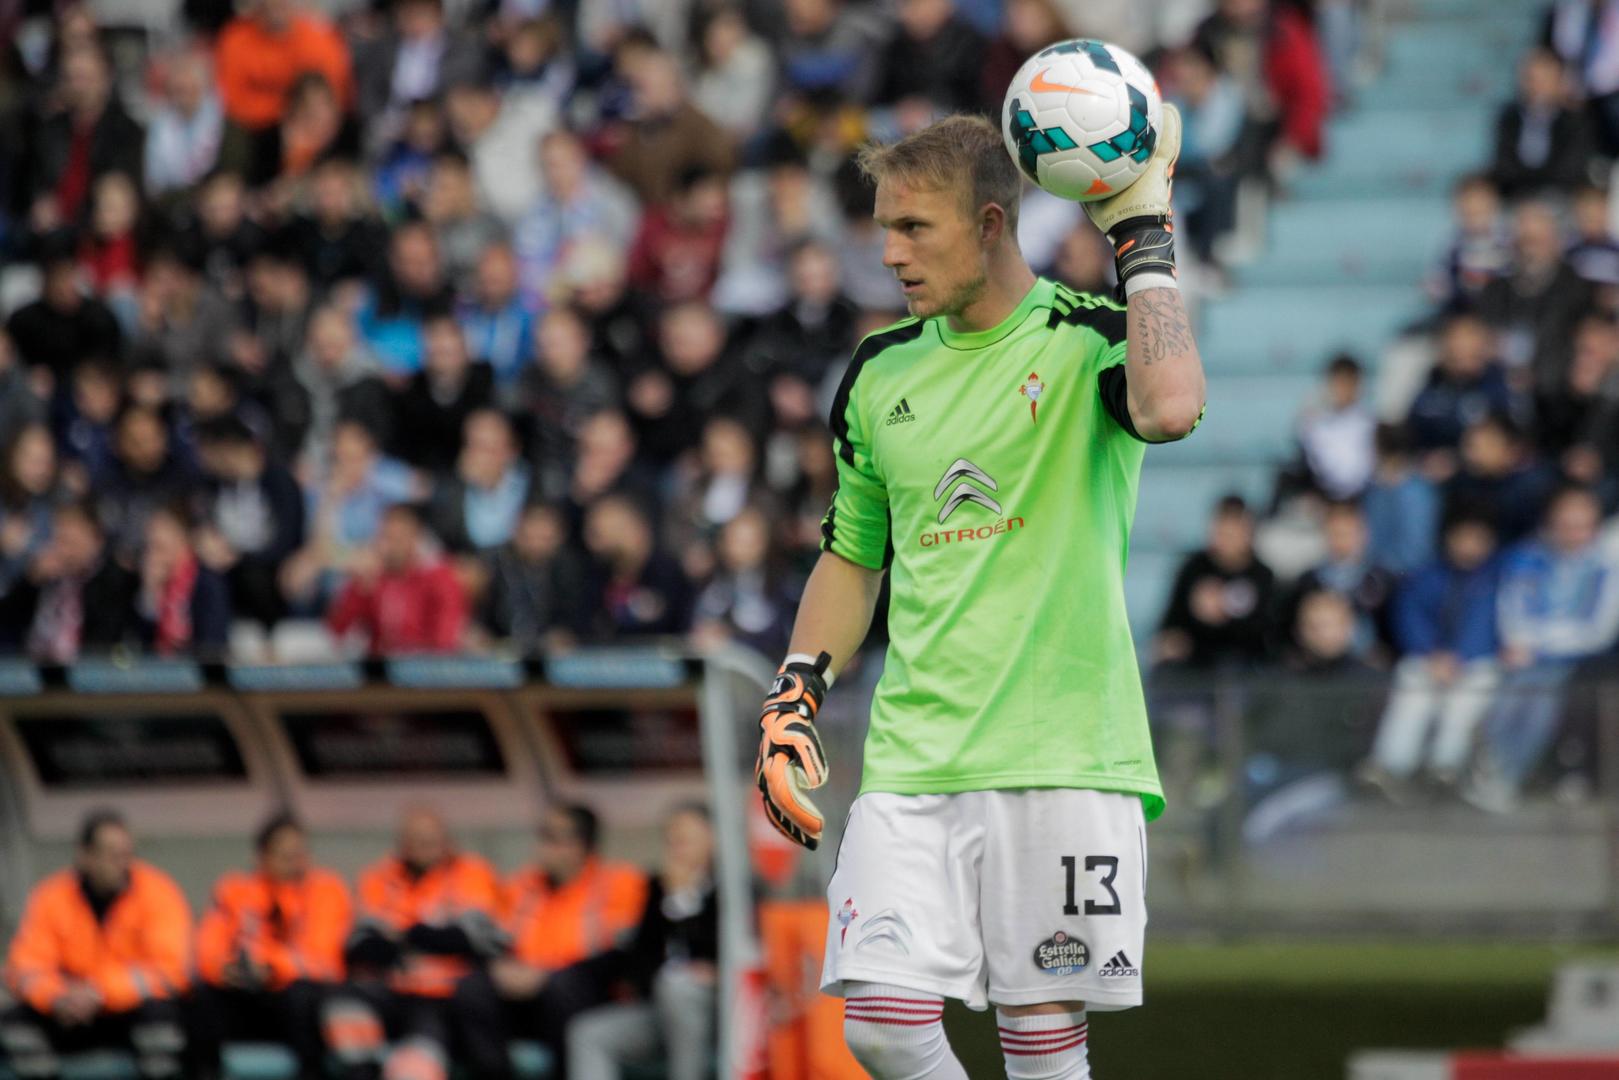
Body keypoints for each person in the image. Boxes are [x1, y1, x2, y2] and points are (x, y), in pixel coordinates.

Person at [755, 110, 1204, 1077]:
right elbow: (850, 557)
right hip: (915, 756)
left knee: (1040, 1052)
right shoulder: (878, 372)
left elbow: (1171, 408)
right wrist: (794, 693)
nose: (888, 253)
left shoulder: (1086, 337)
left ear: (992, 224)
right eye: (882, 228)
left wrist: (1144, 233)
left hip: (1065, 754)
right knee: (879, 1024)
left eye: (914, 228)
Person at [457, 805, 646, 1080]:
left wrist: (546, 975)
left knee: (563, 988)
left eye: (553, 838)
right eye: (542, 836)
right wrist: (500, 966)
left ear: (580, 846)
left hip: (587, 992)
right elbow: (491, 941)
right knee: (471, 989)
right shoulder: (522, 885)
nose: (543, 847)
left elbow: (622, 954)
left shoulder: (620, 883)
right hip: (523, 991)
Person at [1, 810, 192, 1080]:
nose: (122, 863)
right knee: (13, 1023)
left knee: (161, 1016)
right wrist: (58, 997)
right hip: (68, 1012)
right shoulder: (51, 896)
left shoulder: (158, 892)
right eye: (112, 854)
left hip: (127, 1012)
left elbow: (171, 970)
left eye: (127, 854)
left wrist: (100, 993)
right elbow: (24, 967)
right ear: (85, 856)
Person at [1470, 486, 1619, 811]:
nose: (1573, 534)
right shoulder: (1526, 556)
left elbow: (1597, 631)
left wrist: (1539, 643)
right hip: (1524, 657)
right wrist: (1526, 644)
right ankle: (1489, 768)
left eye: (1581, 526)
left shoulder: (1606, 568)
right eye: (1566, 525)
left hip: (1576, 663)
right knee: (1511, 694)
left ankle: (1506, 776)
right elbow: (1512, 610)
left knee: (1540, 700)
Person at [340, 807, 507, 1080]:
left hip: (446, 995)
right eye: (416, 840)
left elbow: (475, 939)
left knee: (416, 1063)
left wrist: (407, 935)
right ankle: (361, 1070)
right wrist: (425, 937)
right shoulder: (379, 877)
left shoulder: (471, 873)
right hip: (391, 989)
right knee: (341, 1002)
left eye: (432, 840)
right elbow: (360, 944)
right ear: (402, 844)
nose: (424, 847)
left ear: (447, 842)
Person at [192, 814, 353, 1080]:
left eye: (300, 853)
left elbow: (324, 958)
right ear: (262, 857)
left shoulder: (327, 889)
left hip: (297, 999)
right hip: (246, 993)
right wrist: (225, 969)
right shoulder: (234, 889)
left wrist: (270, 968)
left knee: (303, 996)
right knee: (203, 997)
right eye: (285, 855)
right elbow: (208, 948)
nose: (295, 863)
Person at [564, 803, 719, 1080]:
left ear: (712, 839)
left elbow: (716, 949)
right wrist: (673, 900)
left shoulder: (731, 888)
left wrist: (684, 904)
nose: (676, 849)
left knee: (679, 987)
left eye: (684, 840)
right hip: (662, 1009)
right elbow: (642, 954)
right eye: (671, 841)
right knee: (588, 1033)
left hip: (715, 1008)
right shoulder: (658, 888)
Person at [1360, 509, 1502, 798]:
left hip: (1474, 662)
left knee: (1467, 698)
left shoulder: (1495, 578)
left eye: (1478, 539)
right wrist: (1430, 653)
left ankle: (1444, 768)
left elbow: (1488, 622)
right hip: (1428, 658)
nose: (1469, 545)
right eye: (1464, 537)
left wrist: (1460, 656)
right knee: (1412, 688)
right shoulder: (1426, 574)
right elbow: (1408, 615)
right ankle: (1390, 767)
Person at [326, 502, 468, 655]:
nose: (389, 547)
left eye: (397, 539)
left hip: (424, 670)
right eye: (385, 537)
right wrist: (358, 588)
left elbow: (445, 641)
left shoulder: (439, 579)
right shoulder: (373, 579)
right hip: (380, 671)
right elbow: (337, 633)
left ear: (415, 538)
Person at [1156, 495, 1277, 669]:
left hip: (1246, 669)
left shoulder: (1262, 576)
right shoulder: (1193, 568)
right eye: (1222, 532)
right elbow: (1171, 624)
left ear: (1248, 533)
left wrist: (1223, 614)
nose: (1227, 540)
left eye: (1234, 532)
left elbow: (1266, 636)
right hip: (1194, 664)